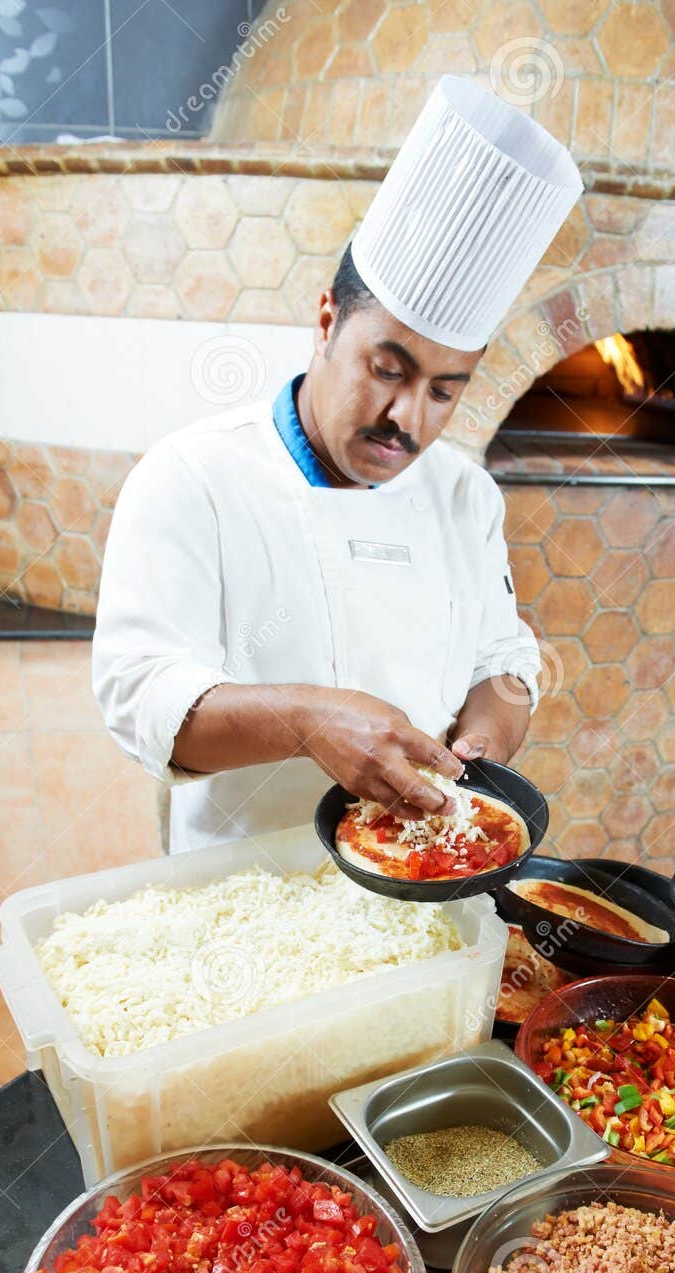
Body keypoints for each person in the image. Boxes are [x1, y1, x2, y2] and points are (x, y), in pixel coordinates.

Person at [94, 76, 582, 852]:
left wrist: (482, 746)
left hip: (422, 865)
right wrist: (310, 720)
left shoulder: (465, 495)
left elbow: (504, 656)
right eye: (386, 370)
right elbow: (139, 697)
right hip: (241, 884)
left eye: (444, 391)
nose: (406, 419)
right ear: (327, 320)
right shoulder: (192, 477)